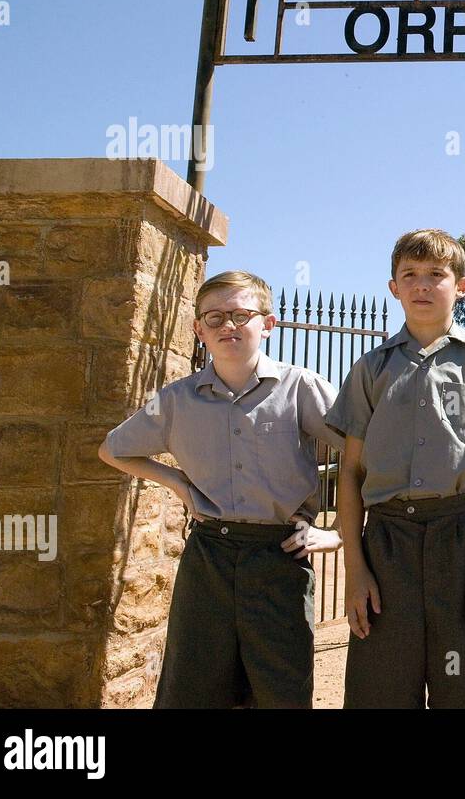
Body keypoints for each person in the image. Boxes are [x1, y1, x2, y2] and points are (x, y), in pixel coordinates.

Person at [98, 270, 344, 708]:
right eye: (214, 317)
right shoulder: (176, 400)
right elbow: (114, 450)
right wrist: (176, 483)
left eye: (240, 314)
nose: (227, 325)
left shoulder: (301, 388)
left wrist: (339, 530)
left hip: (279, 557)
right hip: (208, 557)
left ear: (268, 324)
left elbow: (365, 454)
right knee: (192, 689)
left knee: (280, 691)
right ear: (198, 330)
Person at [327, 228, 465, 709]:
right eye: (409, 275)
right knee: (382, 690)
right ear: (393, 287)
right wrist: (356, 571)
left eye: (435, 275)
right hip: (387, 544)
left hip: (464, 539)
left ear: (460, 285)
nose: (422, 285)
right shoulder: (370, 369)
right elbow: (350, 475)